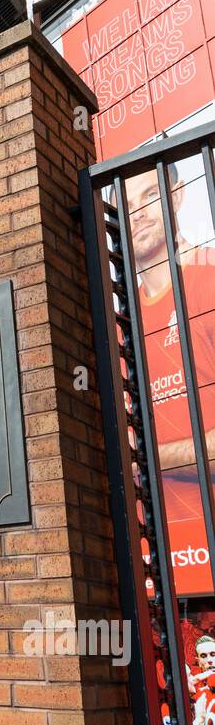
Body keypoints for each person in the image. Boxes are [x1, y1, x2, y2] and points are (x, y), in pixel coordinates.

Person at [128, 165, 215, 551]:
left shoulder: (209, 278)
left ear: (177, 194)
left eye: (149, 196)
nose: (139, 214)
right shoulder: (121, 326)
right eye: (127, 206)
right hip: (158, 562)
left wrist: (146, 459)